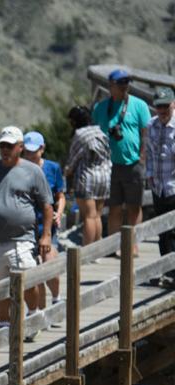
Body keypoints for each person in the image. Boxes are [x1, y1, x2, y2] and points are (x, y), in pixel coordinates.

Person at [0, 126, 53, 321]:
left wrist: (46, 235)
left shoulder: (33, 171)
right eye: (2, 146)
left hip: (22, 240)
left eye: (10, 146)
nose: (5, 150)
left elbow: (47, 205)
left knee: (27, 282)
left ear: (20, 147)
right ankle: (5, 324)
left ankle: (32, 316)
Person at [93, 68, 150, 245]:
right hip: (108, 166)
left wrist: (142, 158)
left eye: (127, 82)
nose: (125, 86)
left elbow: (146, 133)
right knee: (114, 208)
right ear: (111, 86)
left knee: (134, 207)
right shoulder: (100, 108)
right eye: (121, 83)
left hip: (133, 164)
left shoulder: (139, 105)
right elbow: (94, 133)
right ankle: (113, 246)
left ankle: (133, 246)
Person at [22, 131, 67, 304]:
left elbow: (60, 196)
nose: (30, 155)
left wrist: (59, 212)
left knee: (49, 265)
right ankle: (39, 312)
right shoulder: (19, 169)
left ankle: (56, 298)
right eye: (26, 151)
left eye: (33, 151)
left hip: (47, 227)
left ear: (42, 149)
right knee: (33, 273)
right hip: (26, 228)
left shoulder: (52, 168)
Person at [65, 105, 112, 247]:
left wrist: (67, 173)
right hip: (104, 176)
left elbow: (73, 160)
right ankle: (97, 251)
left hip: (88, 178)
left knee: (89, 216)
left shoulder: (80, 135)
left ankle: (87, 251)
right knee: (97, 215)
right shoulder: (99, 131)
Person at [146, 86, 175, 256]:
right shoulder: (151, 125)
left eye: (166, 106)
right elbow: (149, 153)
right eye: (159, 106)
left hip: (174, 186)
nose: (163, 110)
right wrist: (149, 174)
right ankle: (164, 269)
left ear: (174, 104)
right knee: (162, 232)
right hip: (158, 187)